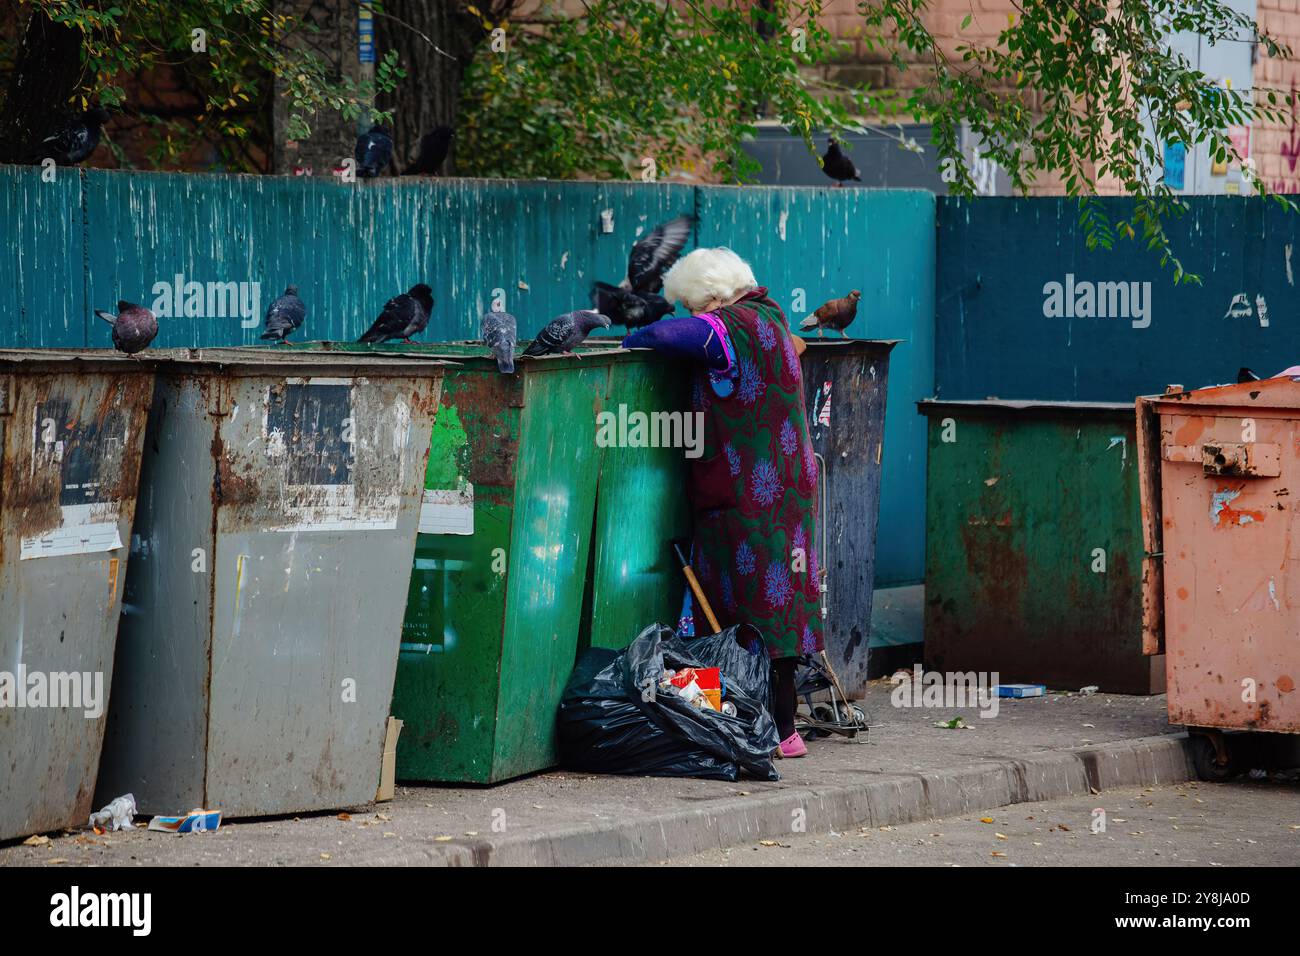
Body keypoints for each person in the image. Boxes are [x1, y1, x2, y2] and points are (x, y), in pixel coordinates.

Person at [623, 247, 821, 758]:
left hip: (746, 498)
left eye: (692, 305)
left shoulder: (725, 327)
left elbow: (665, 336)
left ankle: (735, 722)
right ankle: (785, 731)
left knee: (733, 608)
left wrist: (632, 335)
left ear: (710, 300)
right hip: (789, 490)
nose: (690, 315)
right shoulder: (771, 315)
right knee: (778, 612)